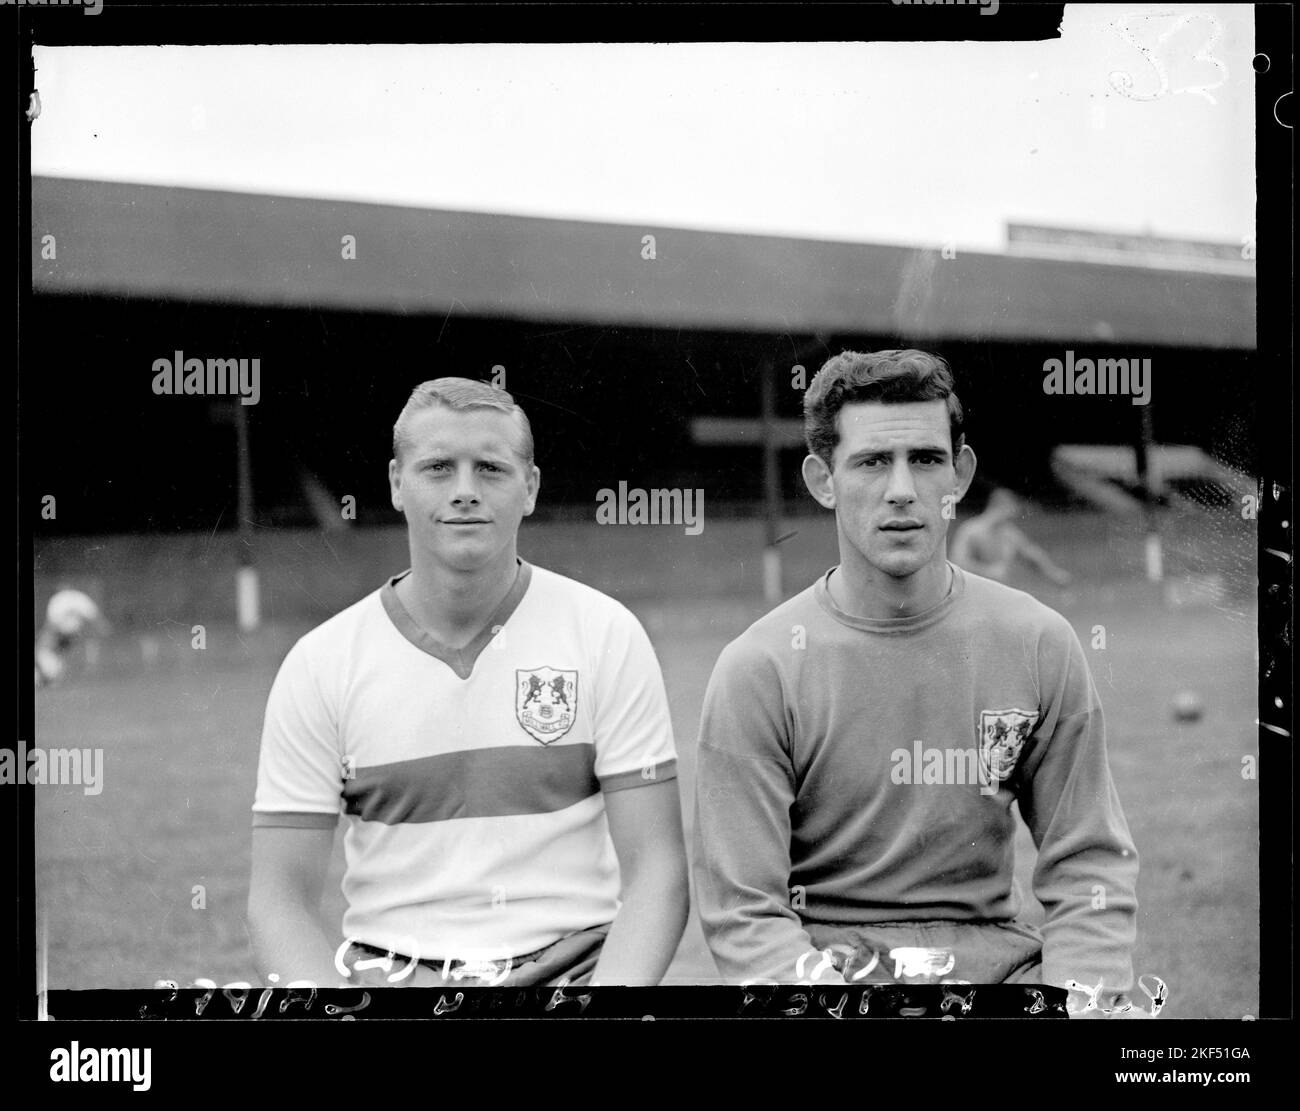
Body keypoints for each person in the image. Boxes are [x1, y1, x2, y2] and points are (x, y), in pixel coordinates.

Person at [692, 349, 1139, 1014]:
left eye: (926, 459)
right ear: (823, 479)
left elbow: (1089, 863)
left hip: (996, 967)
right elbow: (744, 910)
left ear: (959, 473)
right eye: (872, 462)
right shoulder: (759, 668)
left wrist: (1078, 997)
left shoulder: (1039, 641)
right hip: (831, 973)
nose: (901, 487)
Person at [249, 378, 688, 988]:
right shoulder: (320, 663)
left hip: (573, 981)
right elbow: (279, 902)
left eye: (490, 469)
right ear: (397, 484)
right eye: (437, 468)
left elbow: (659, 873)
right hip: (392, 985)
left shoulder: (605, 634)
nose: (464, 492)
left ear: (530, 488)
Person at [949, 487, 1072, 586]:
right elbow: (958, 562)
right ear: (999, 507)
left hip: (999, 592)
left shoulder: (1009, 533)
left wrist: (1054, 573)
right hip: (974, 591)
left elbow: (1031, 555)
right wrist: (988, 572)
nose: (1013, 516)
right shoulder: (971, 530)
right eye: (1011, 510)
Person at [35, 588, 109, 687]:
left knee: (47, 652)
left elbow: (52, 623)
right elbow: (94, 615)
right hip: (69, 635)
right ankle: (48, 677)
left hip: (67, 634)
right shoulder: (76, 600)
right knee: (53, 656)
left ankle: (48, 677)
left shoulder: (64, 600)